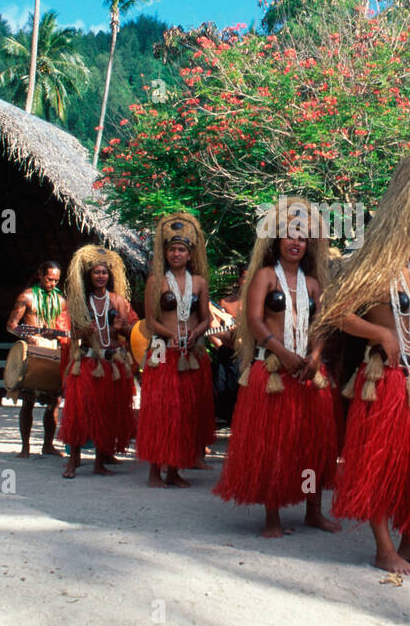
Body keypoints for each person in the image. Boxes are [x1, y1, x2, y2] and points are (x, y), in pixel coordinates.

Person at [312, 155, 410, 575]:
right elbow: (335, 313)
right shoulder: (374, 270)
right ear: (408, 230)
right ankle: (383, 547)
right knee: (382, 461)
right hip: (384, 382)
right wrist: (381, 335)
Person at [214, 199, 341, 537]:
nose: (296, 242)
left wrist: (315, 354)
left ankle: (313, 509)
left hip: (308, 376)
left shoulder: (313, 283)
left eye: (302, 236)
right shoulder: (264, 276)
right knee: (274, 448)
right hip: (272, 372)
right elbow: (254, 321)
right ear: (277, 240)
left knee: (312, 448)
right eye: (289, 235)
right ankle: (273, 517)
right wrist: (282, 352)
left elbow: (321, 325)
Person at [137, 213, 214, 487]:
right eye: (172, 249)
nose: (176, 254)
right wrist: (172, 334)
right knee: (161, 411)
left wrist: (196, 332)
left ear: (190, 253)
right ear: (165, 253)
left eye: (181, 249)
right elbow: (150, 321)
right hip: (162, 353)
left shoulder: (200, 283)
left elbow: (207, 318)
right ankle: (155, 471)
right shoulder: (156, 281)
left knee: (185, 412)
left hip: (190, 355)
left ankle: (174, 470)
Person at [59, 245, 138, 478]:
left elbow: (135, 328)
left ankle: (100, 463)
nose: (101, 276)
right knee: (79, 412)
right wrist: (84, 331)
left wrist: (124, 328)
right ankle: (73, 462)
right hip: (87, 364)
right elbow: (70, 334)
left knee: (108, 412)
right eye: (96, 272)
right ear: (89, 275)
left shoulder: (119, 302)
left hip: (112, 364)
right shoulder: (79, 303)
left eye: (104, 272)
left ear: (109, 275)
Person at [5, 261, 70, 459]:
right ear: (40, 275)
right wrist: (27, 336)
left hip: (53, 351)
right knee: (28, 401)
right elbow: (11, 325)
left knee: (54, 401)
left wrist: (61, 336)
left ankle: (47, 445)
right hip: (32, 351)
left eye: (56, 280)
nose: (52, 283)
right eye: (49, 279)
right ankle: (25, 447)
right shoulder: (26, 297)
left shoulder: (61, 300)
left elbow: (65, 328)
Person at [210, 266, 247, 427]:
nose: (246, 280)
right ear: (239, 280)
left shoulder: (259, 301)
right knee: (222, 390)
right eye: (244, 277)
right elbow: (213, 327)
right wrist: (220, 345)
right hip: (227, 352)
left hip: (247, 354)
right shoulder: (226, 303)